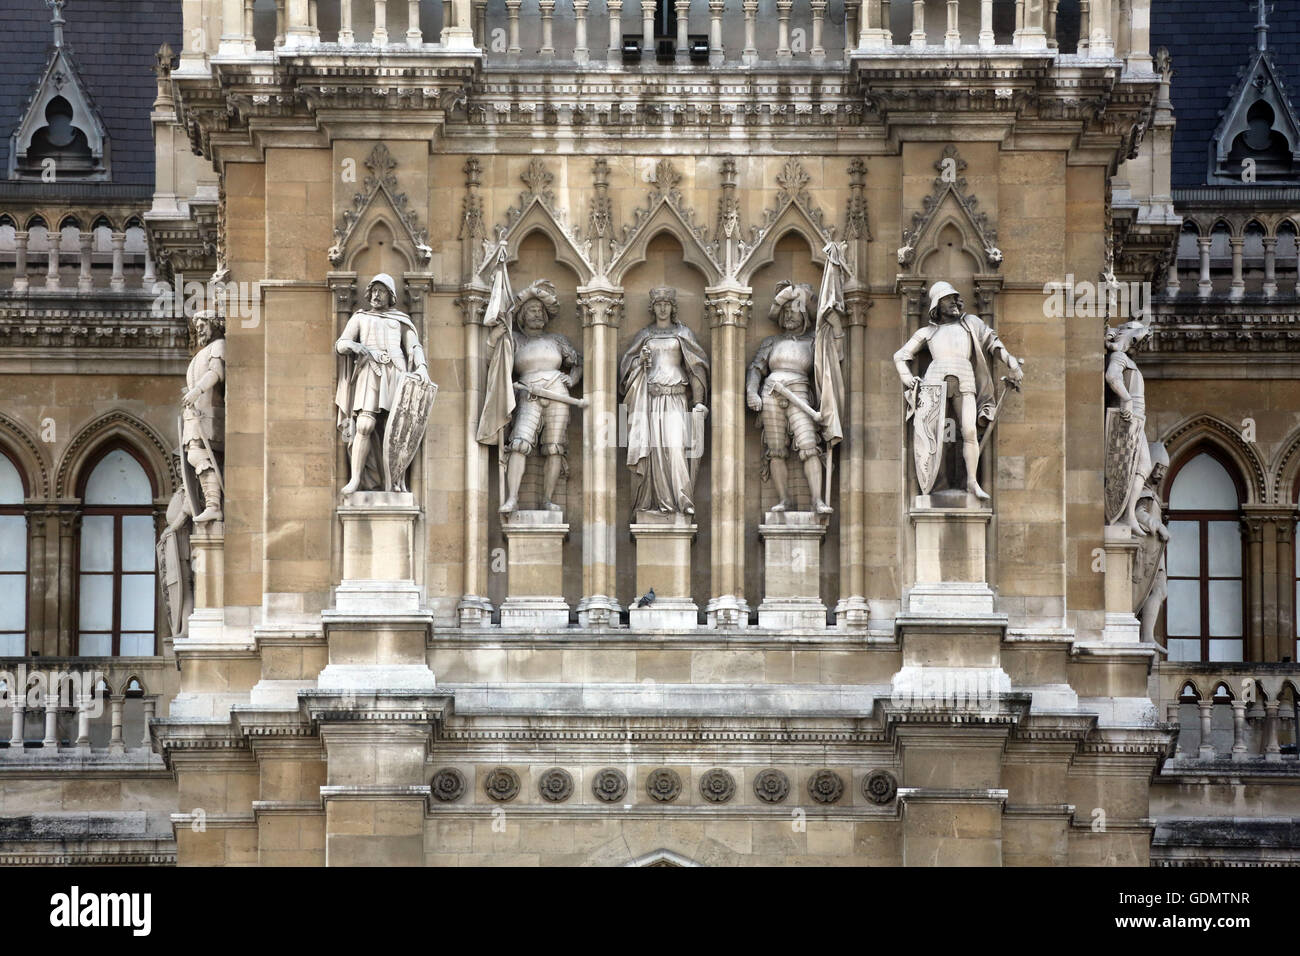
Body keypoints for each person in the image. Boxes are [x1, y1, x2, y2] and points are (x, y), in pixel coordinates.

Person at [894, 281, 1023, 500]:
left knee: (969, 431)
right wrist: (908, 379)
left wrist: (1012, 362)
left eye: (955, 297)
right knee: (934, 436)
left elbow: (993, 342)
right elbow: (900, 356)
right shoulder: (927, 332)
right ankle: (933, 483)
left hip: (965, 378)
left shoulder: (970, 323)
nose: (954, 301)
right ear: (937, 304)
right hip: (934, 383)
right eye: (948, 298)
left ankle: (972, 482)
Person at [479, 279, 582, 514]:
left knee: (554, 447)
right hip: (528, 392)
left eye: (540, 310)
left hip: (557, 392)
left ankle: (547, 499)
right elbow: (491, 356)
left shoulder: (557, 340)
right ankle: (513, 498)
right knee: (519, 443)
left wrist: (573, 379)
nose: (537, 314)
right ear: (523, 316)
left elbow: (578, 363)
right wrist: (497, 332)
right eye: (531, 310)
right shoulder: (515, 340)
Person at [334, 273, 431, 495]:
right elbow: (341, 344)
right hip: (370, 370)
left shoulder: (400, 320)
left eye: (382, 291)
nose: (377, 295)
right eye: (374, 291)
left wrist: (422, 367)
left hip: (396, 372)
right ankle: (356, 479)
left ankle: (394, 482)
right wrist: (354, 346)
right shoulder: (360, 317)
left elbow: (413, 346)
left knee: (396, 429)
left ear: (390, 295)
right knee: (365, 425)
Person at [619, 287, 710, 516]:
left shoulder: (683, 334)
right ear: (653, 307)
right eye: (658, 304)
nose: (662, 308)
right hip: (649, 400)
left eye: (666, 304)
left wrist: (698, 402)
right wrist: (640, 362)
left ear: (672, 307)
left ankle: (682, 500)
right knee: (652, 451)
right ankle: (657, 503)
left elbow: (695, 368)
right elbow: (626, 370)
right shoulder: (645, 336)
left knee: (675, 447)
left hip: (677, 398)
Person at [747, 281, 834, 514]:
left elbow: (828, 367)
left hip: (799, 392)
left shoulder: (813, 342)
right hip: (771, 393)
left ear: (804, 315)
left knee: (808, 446)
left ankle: (817, 500)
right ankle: (784, 499)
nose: (788, 317)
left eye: (793, 311)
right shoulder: (772, 342)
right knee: (775, 449)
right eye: (785, 313)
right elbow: (756, 368)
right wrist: (751, 392)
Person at [1105, 319, 1153, 534]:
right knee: (1140, 465)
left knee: (1144, 466)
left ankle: (1128, 513)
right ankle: (1126, 513)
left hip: (1135, 420)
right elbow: (1112, 376)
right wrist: (1126, 399)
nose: (1138, 347)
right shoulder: (1119, 357)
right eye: (1137, 341)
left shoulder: (1126, 358)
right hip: (1128, 418)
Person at [181, 310, 225, 522]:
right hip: (197, 414)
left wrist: (196, 391)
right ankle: (212, 503)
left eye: (202, 326)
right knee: (195, 455)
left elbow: (216, 372)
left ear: (213, 326)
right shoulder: (202, 352)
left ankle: (213, 504)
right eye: (197, 327)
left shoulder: (218, 346)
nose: (199, 330)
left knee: (198, 455)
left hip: (210, 415)